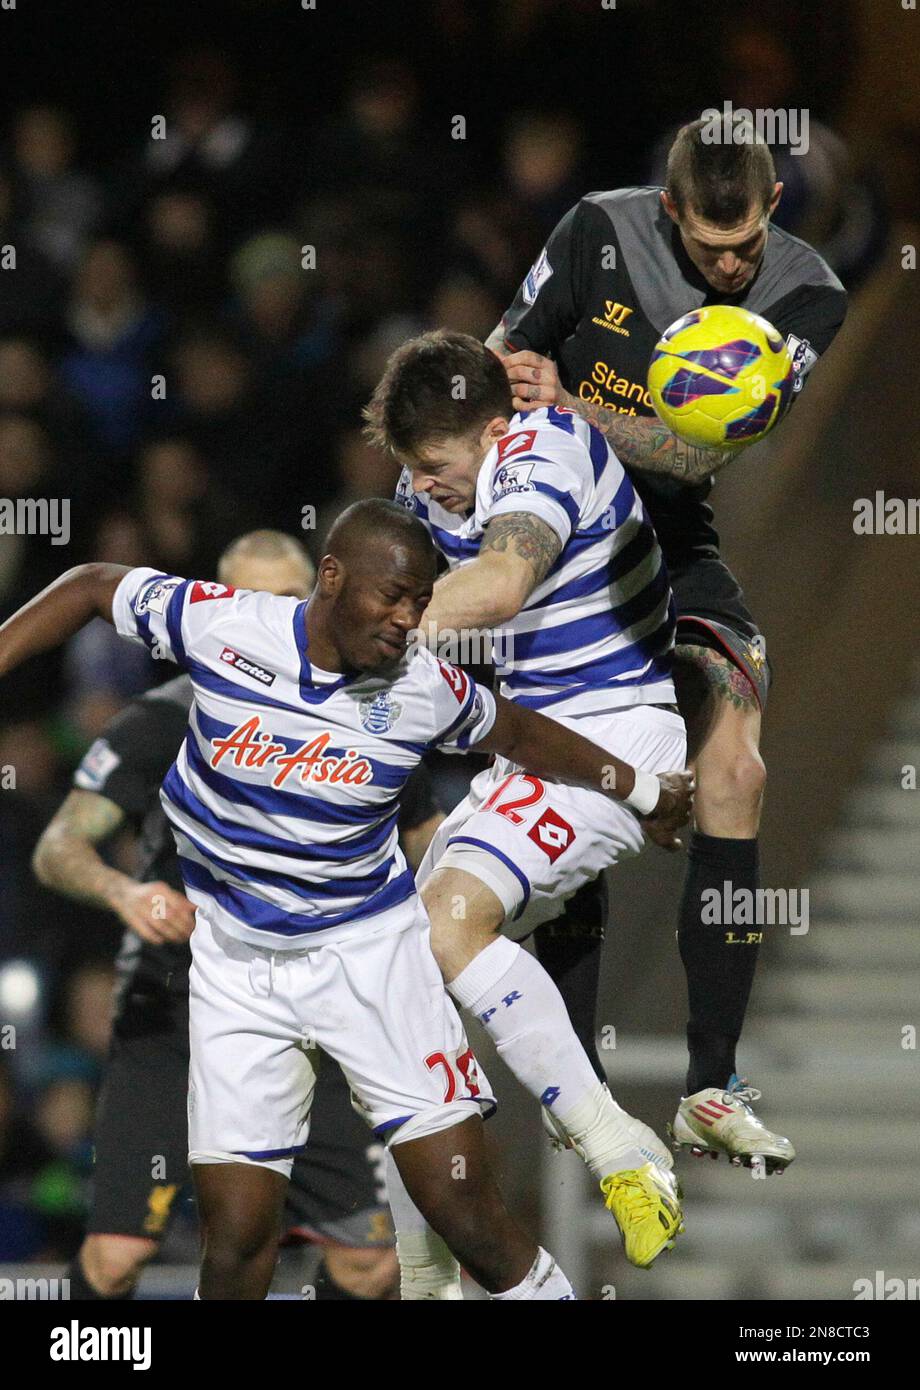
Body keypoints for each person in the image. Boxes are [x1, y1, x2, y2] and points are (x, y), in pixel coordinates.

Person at [0, 500, 691, 1300]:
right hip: (234, 967)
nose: (407, 619)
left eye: (421, 602)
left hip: (369, 960)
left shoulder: (424, 687)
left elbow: (521, 734)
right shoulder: (224, 627)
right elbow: (89, 585)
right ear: (330, 578)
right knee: (235, 1243)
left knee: (464, 1214)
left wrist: (639, 787)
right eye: (392, 596)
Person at [485, 114, 848, 1170]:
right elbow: (504, 363)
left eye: (743, 245)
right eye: (705, 247)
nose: (729, 266)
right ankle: (579, 1096)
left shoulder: (802, 291)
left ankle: (709, 1085)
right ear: (666, 210)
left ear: (770, 208)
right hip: (559, 541)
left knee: (734, 764)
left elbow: (694, 460)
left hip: (671, 539)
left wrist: (579, 411)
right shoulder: (596, 230)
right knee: (580, 791)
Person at [32, 529, 439, 1302]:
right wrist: (126, 893)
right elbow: (59, 846)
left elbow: (430, 848)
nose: (269, 615)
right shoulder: (164, 718)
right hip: (172, 1017)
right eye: (250, 597)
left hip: (309, 1020)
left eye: (286, 598)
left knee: (371, 1263)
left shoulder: (369, 717)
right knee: (115, 1258)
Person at [366, 331, 691, 1269]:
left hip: (612, 734)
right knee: (392, 979)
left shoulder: (547, 444)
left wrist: (376, 624)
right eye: (411, 472)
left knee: (447, 922)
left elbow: (503, 584)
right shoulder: (426, 495)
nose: (424, 488)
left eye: (435, 465)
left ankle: (617, 1144)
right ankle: (426, 1265)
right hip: (525, 759)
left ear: (492, 430)